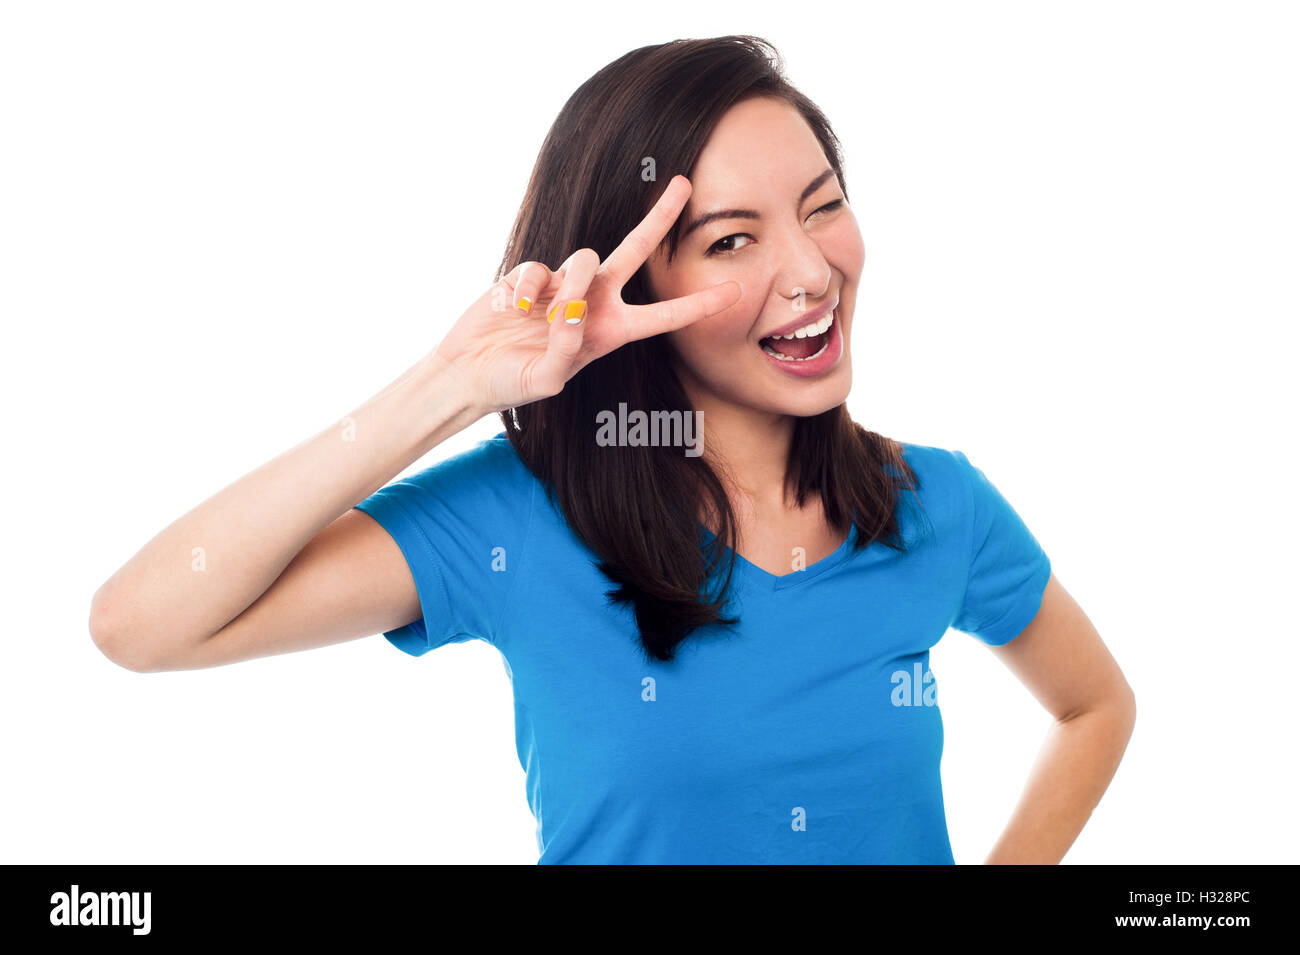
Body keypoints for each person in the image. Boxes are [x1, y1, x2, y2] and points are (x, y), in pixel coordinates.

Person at [88, 35, 1136, 864]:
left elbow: (1094, 704)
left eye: (822, 208)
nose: (811, 271)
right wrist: (449, 386)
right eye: (733, 240)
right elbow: (142, 623)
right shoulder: (513, 520)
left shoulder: (934, 502)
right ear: (636, 286)